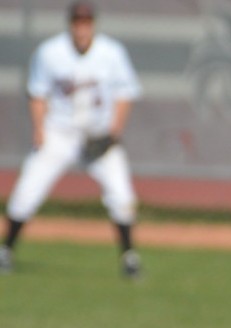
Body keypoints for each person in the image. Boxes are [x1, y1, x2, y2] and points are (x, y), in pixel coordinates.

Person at [0, 2, 142, 279]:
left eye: (87, 22)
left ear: (94, 24)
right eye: (78, 22)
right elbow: (38, 93)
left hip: (98, 133)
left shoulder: (111, 53)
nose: (82, 27)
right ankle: (6, 250)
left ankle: (129, 257)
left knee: (122, 195)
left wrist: (113, 132)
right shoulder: (51, 52)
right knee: (28, 190)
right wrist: (39, 129)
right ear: (70, 24)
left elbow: (125, 93)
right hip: (60, 132)